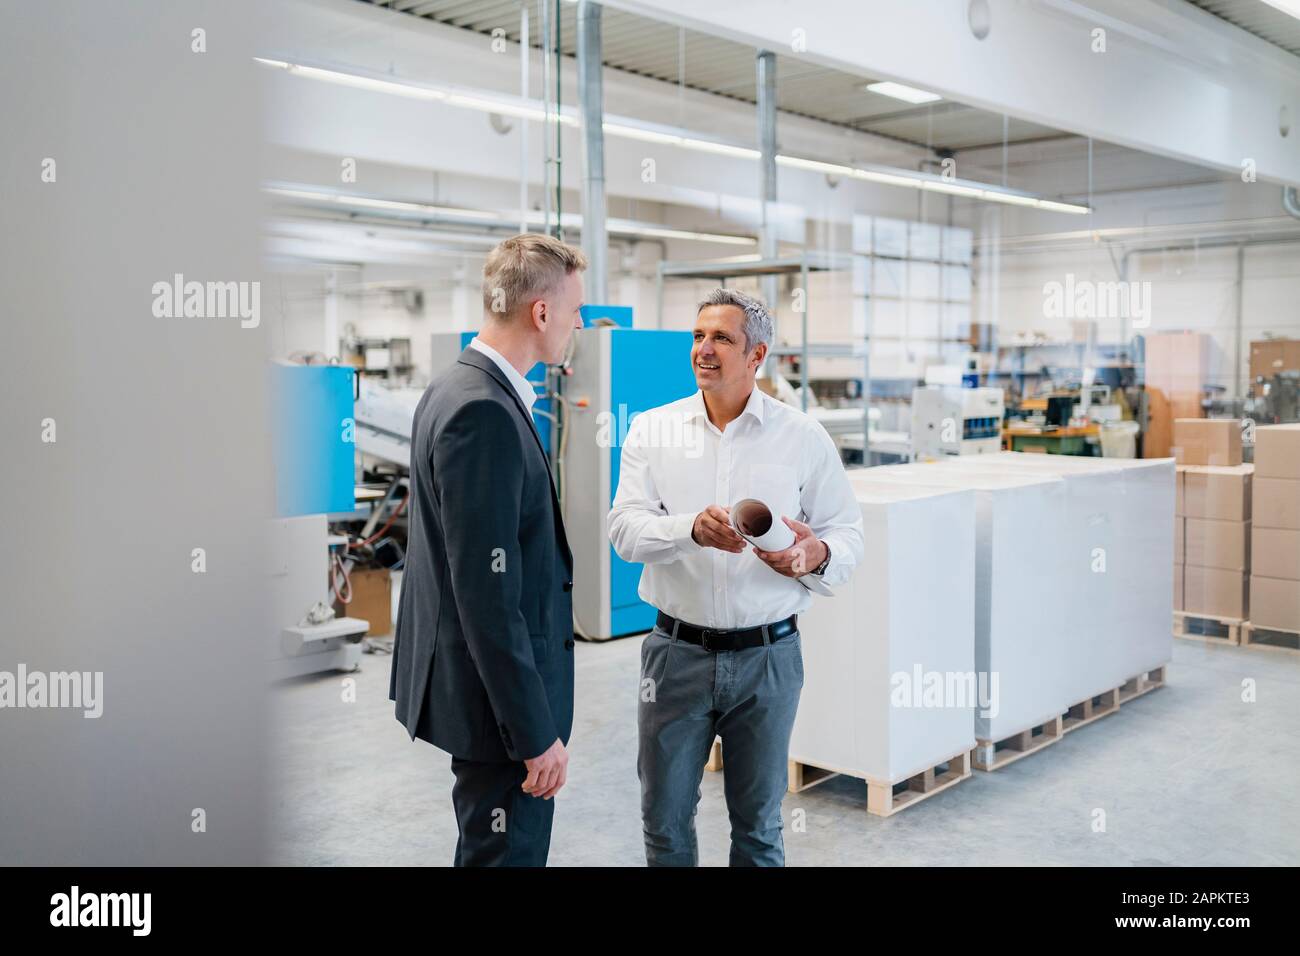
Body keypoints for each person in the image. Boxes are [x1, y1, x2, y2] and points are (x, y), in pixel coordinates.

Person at [608, 288, 864, 867]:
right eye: (698, 336)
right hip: (675, 656)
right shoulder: (653, 430)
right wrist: (689, 532)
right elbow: (623, 530)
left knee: (758, 828)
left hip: (768, 660)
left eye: (722, 338)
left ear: (757, 355)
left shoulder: (801, 436)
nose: (704, 349)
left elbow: (848, 532)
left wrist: (815, 554)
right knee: (664, 821)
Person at [390, 233, 586, 867]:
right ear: (541, 313)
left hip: (480, 700)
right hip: (501, 717)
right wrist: (534, 733)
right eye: (576, 311)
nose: (577, 325)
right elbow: (486, 595)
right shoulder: (485, 412)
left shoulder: (453, 388)